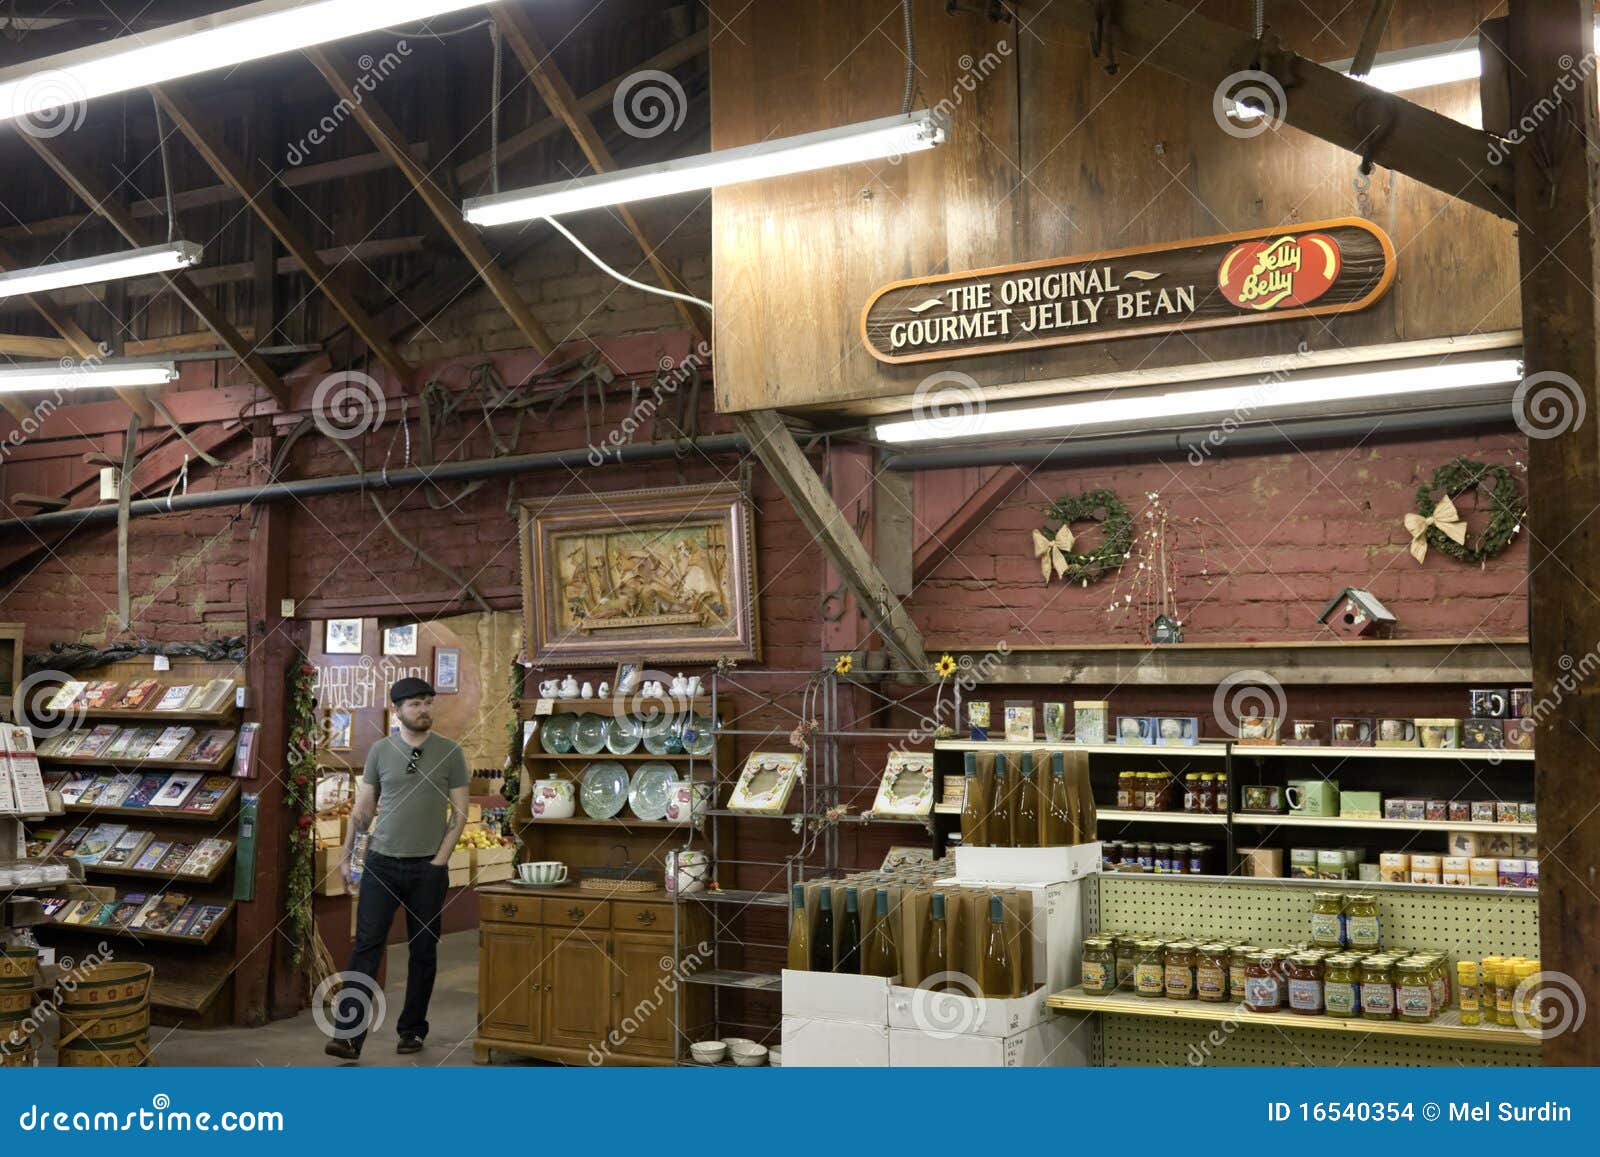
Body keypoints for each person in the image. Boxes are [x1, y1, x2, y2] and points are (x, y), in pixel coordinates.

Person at [325, 677, 469, 1061]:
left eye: (428, 702)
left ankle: (412, 1030)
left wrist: (439, 862)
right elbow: (363, 809)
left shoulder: (450, 753)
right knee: (366, 948)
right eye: (415, 704)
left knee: (423, 951)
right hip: (381, 865)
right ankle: (348, 1036)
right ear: (398, 711)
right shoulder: (380, 752)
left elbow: (459, 813)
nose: (424, 709)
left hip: (427, 869)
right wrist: (347, 854)